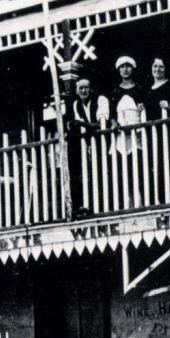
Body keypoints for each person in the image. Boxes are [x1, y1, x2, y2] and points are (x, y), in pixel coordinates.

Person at [66, 78, 106, 218]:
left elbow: (101, 124)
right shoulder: (76, 105)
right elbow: (80, 127)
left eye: (86, 87)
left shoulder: (100, 100)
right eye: (81, 88)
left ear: (91, 89)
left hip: (103, 143)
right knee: (87, 173)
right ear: (76, 91)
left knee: (102, 172)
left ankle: (102, 206)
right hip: (87, 145)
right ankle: (87, 206)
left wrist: (81, 123)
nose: (84, 91)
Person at [105, 56, 145, 154]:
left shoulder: (140, 88)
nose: (125, 69)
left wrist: (143, 108)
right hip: (121, 132)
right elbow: (111, 112)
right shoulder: (115, 91)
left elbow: (145, 107)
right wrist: (114, 122)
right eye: (122, 67)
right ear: (119, 69)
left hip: (137, 131)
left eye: (128, 66)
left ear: (133, 68)